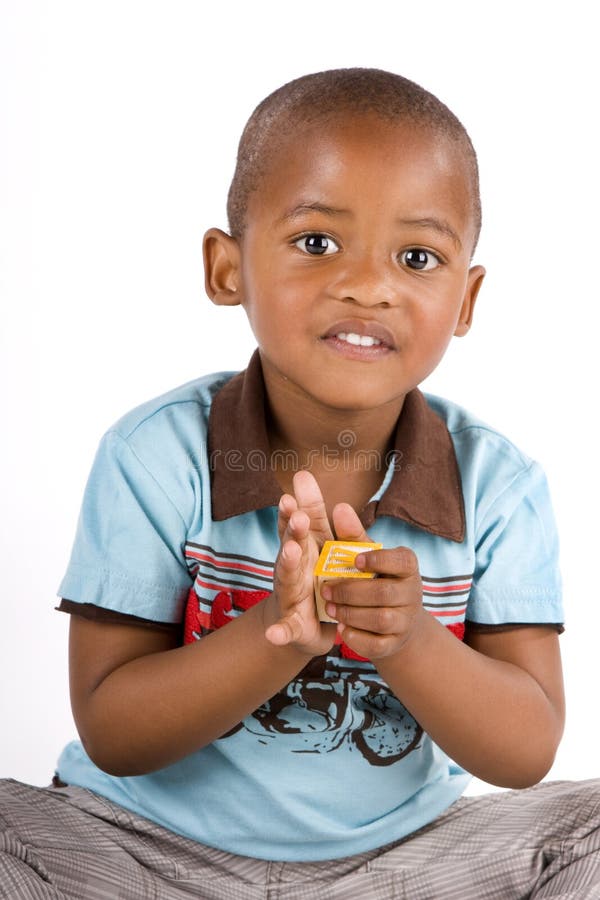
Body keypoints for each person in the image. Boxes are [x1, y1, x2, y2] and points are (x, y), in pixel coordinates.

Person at [1, 67, 598, 900]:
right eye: (317, 242)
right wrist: (276, 633)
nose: (368, 284)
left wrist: (412, 640)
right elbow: (111, 729)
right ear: (227, 267)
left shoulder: (498, 482)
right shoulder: (154, 453)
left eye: (417, 256)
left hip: (402, 865)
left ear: (465, 299)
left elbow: (527, 749)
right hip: (142, 854)